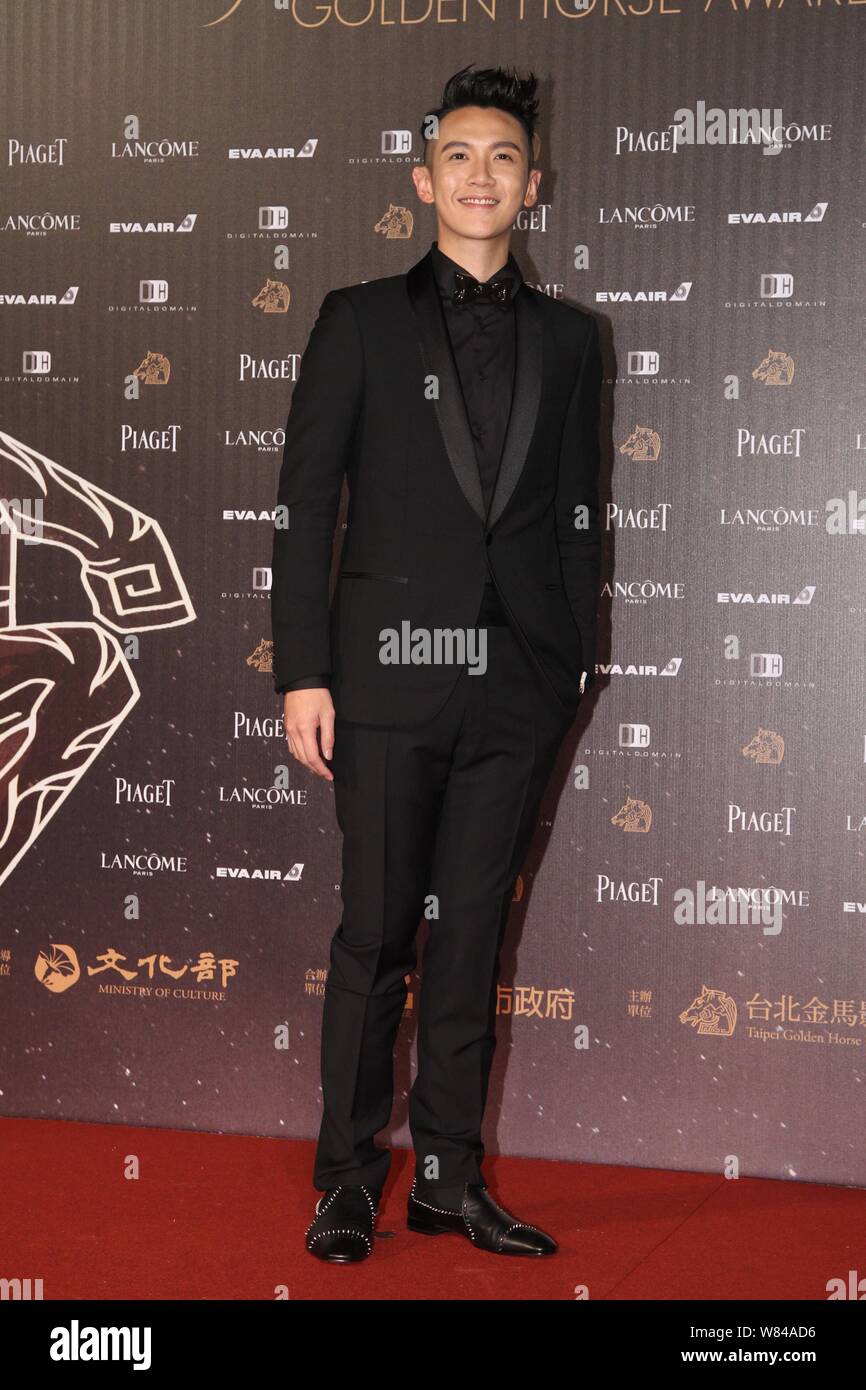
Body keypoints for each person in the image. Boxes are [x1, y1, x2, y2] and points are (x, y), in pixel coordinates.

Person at [270, 62, 602, 1262]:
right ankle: (349, 1177)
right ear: (423, 178)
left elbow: (576, 510)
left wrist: (571, 662)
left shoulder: (571, 341)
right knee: (375, 934)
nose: (480, 175)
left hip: (517, 681)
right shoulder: (357, 320)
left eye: (502, 158)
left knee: (471, 935)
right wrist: (301, 672)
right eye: (458, 155)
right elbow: (306, 507)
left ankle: (450, 1178)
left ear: (531, 185)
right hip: (385, 679)